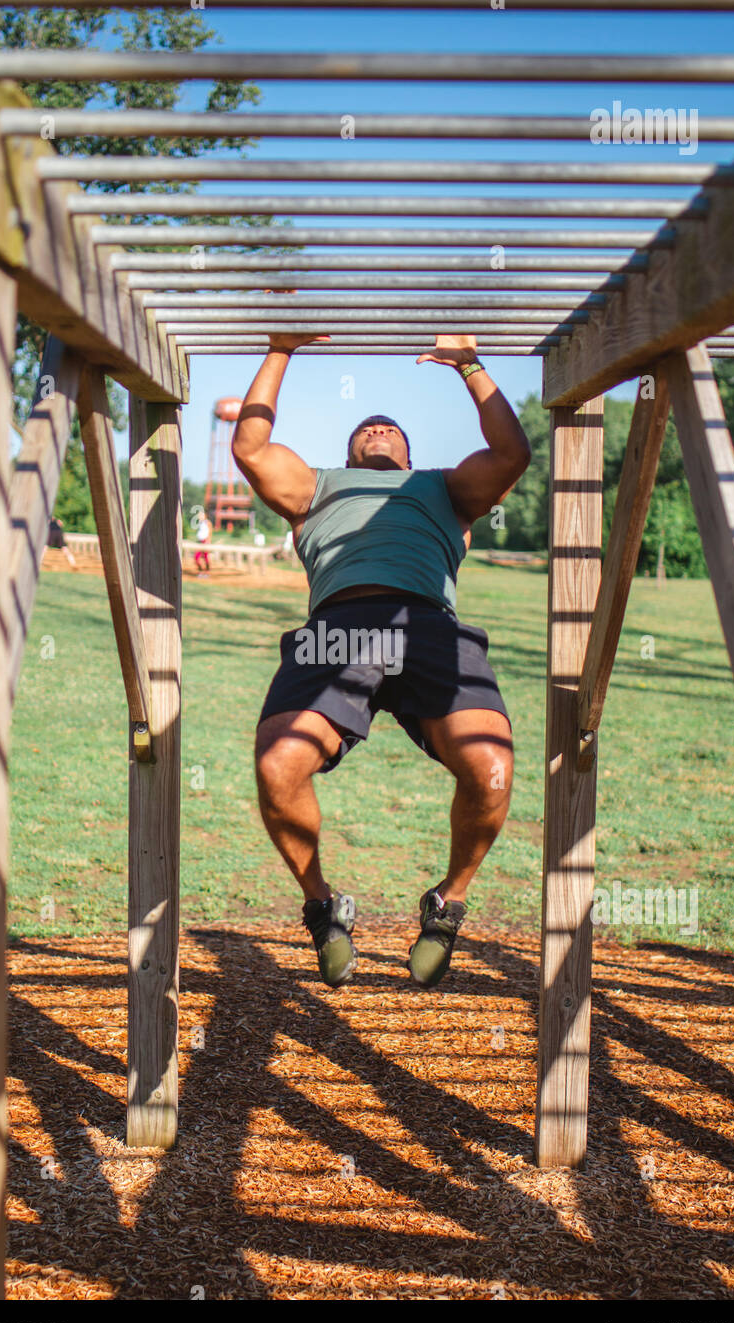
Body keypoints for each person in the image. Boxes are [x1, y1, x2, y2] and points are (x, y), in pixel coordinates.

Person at [231, 332, 530, 990]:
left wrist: (470, 366)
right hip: (337, 627)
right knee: (279, 764)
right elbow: (250, 449)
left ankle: (447, 904)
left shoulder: (444, 490)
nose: (377, 427)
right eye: (366, 426)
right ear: (349, 452)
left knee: (492, 769)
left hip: (429, 627)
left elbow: (512, 452)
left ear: (409, 452)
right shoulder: (317, 485)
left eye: (390, 427)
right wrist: (280, 348)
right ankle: (322, 906)